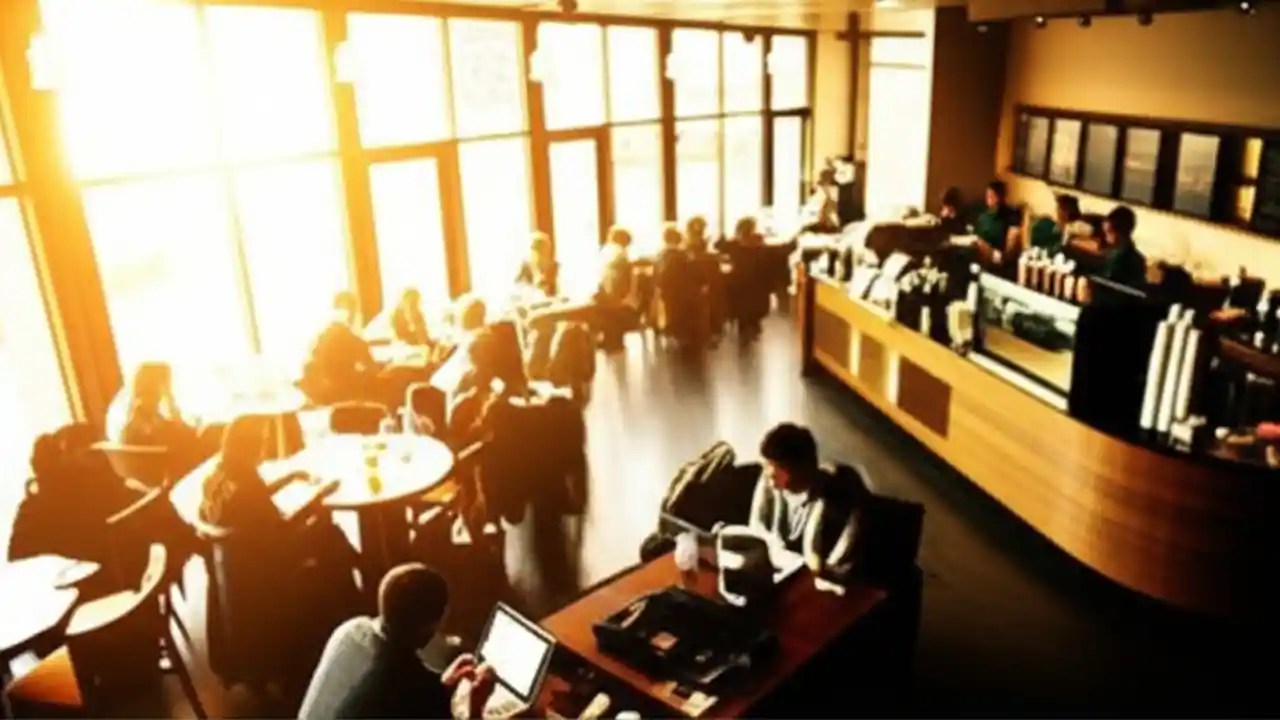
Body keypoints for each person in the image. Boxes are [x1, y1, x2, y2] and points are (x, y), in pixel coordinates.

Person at [300, 563, 490, 720]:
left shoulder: (349, 630)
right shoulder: (416, 690)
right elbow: (409, 698)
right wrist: (476, 708)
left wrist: (443, 687)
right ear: (434, 623)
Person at [8, 423, 147, 565]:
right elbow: (23, 573)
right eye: (91, 453)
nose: (102, 458)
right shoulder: (35, 518)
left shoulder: (125, 493)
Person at [748, 423, 871, 574]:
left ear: (803, 468)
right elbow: (756, 527)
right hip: (781, 569)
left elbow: (825, 558)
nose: (770, 481)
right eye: (767, 468)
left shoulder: (835, 493)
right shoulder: (769, 481)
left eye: (777, 474)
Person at [112, 361, 209, 475]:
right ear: (159, 386)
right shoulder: (148, 427)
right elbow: (187, 437)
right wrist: (171, 403)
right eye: (167, 383)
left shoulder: (139, 419)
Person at [301, 292, 381, 405]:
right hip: (345, 396)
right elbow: (373, 370)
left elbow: (308, 369)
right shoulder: (355, 341)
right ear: (353, 314)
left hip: (322, 397)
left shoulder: (320, 339)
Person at [596, 226, 636, 351]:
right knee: (615, 327)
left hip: (602, 294)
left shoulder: (605, 251)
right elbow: (624, 276)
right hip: (615, 295)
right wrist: (626, 296)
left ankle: (610, 343)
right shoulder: (620, 254)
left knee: (609, 324)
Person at [1096, 205, 1147, 289]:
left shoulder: (1123, 258)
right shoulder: (1113, 252)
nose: (1106, 237)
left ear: (1120, 233)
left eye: (1109, 232)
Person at [973, 181, 1021, 262]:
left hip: (999, 256)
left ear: (1000, 197)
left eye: (992, 196)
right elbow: (978, 236)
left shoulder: (1011, 216)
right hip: (982, 253)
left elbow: (1011, 247)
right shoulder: (984, 216)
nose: (988, 198)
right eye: (987, 195)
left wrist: (993, 252)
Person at [514, 232, 559, 298]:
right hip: (531, 300)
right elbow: (519, 286)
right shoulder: (525, 266)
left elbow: (555, 290)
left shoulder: (554, 265)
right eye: (536, 247)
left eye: (545, 247)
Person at [801, 168, 841, 233]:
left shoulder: (834, 188)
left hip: (827, 215)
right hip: (817, 216)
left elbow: (832, 204)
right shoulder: (818, 189)